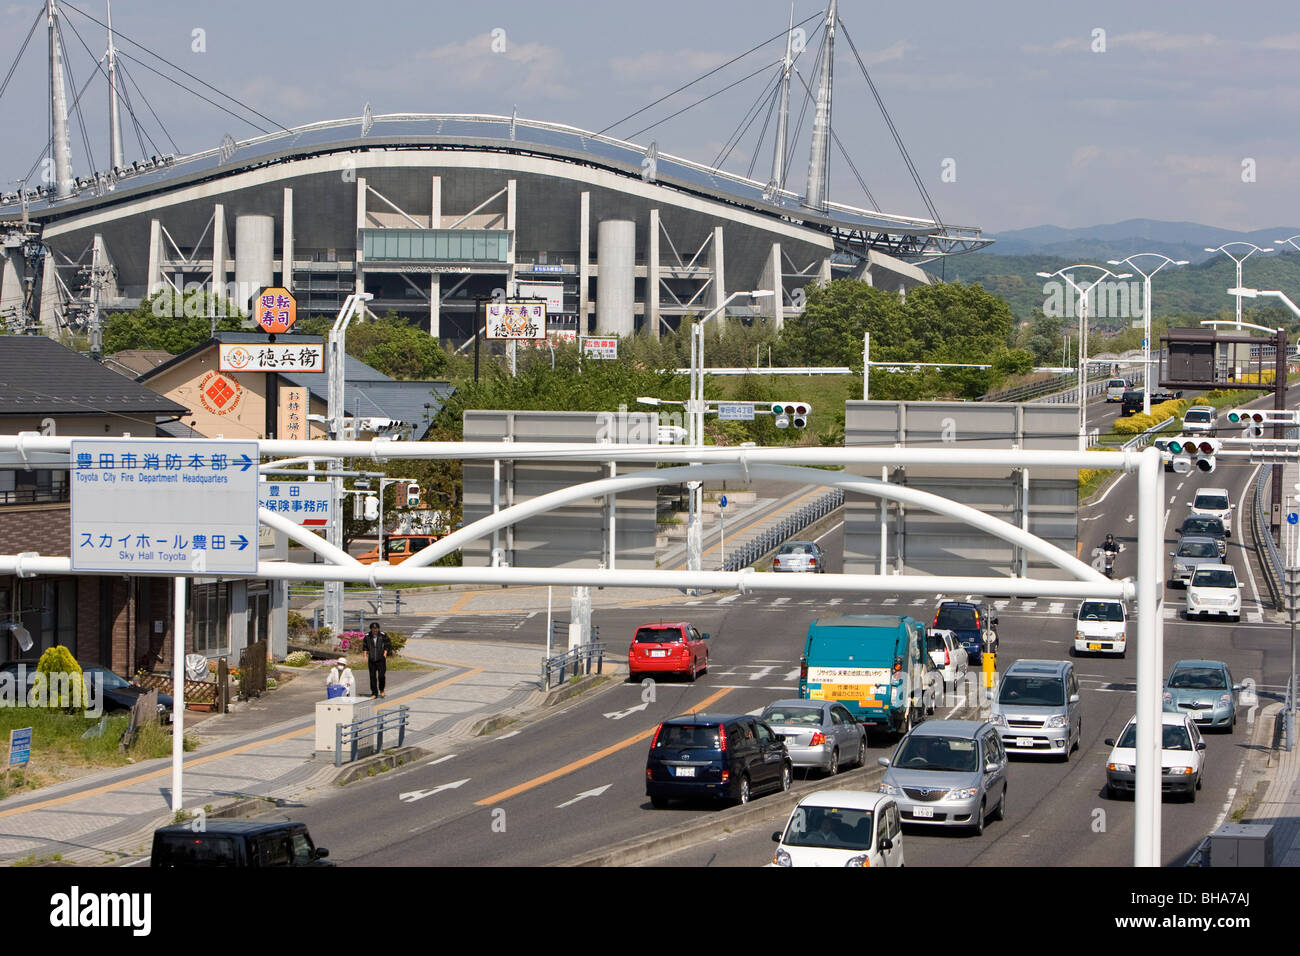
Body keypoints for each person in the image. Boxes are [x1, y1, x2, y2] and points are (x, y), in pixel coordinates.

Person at [362, 622, 392, 698]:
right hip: (372, 659)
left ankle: (381, 690)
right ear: (371, 629)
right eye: (373, 628)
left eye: (376, 628)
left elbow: (387, 644)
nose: (375, 630)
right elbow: (365, 646)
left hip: (381, 658)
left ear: (378, 628)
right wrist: (365, 656)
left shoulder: (383, 635)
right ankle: (374, 693)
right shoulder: (367, 636)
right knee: (372, 677)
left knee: (381, 676)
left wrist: (385, 654)